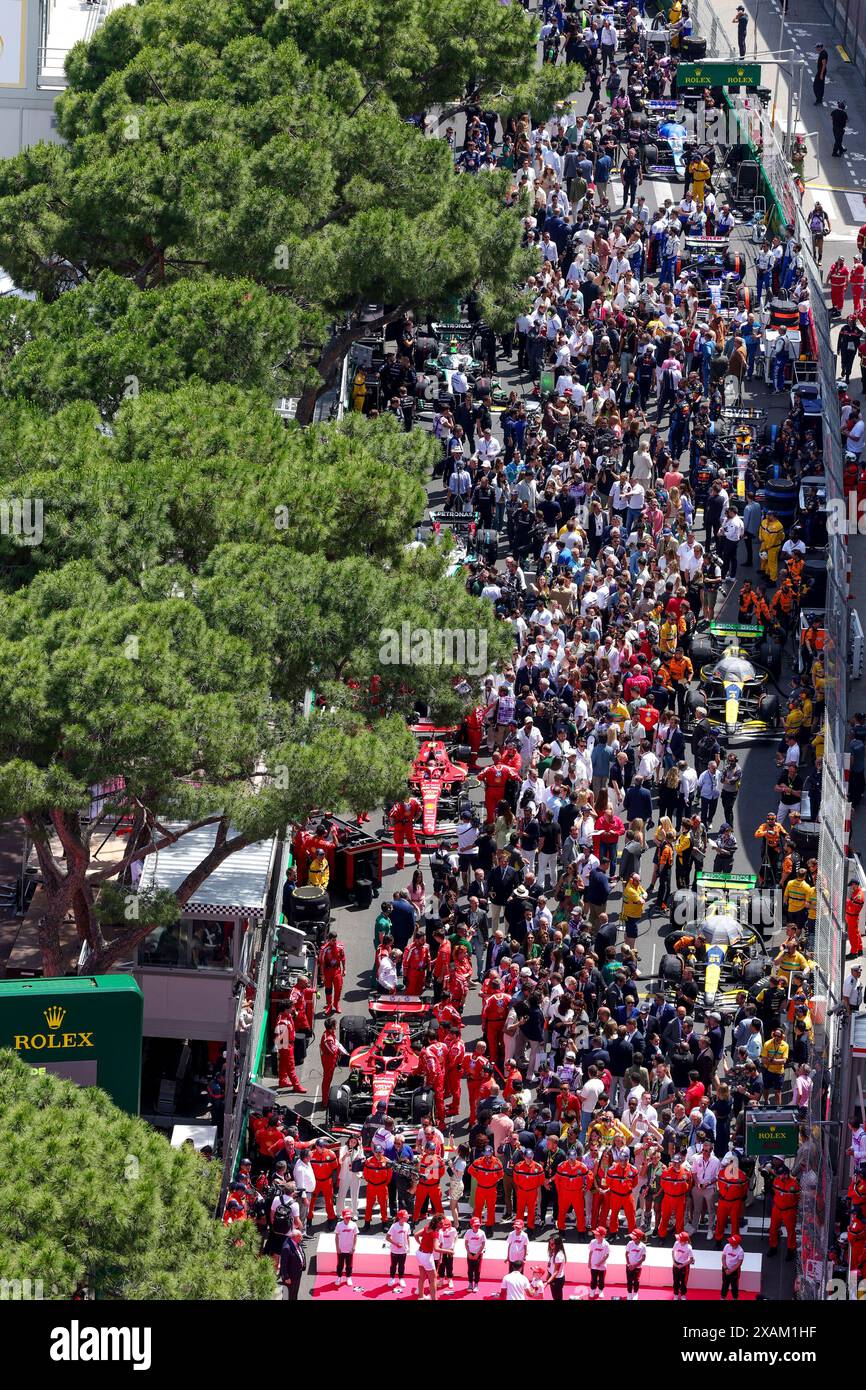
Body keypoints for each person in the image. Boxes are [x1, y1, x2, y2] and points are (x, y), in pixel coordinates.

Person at [766, 1158, 800, 1260]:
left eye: (781, 1174)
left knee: (790, 1231)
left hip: (789, 1210)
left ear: (786, 1174)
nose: (779, 1176)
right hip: (777, 1209)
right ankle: (773, 1247)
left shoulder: (794, 1184)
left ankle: (791, 1250)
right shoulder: (776, 1180)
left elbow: (798, 1197)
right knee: (773, 1229)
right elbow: (774, 1192)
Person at [416, 1213, 444, 1301]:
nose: (442, 1225)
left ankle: (421, 1297)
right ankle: (433, 1298)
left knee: (422, 1277)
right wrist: (449, 1251)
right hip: (427, 1256)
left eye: (443, 1223)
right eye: (441, 1223)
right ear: (436, 1223)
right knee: (433, 1279)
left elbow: (416, 1234)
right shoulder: (435, 1233)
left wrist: (421, 1244)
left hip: (419, 1253)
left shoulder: (427, 1226)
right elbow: (436, 1248)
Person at [318, 930, 346, 1015]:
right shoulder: (324, 949)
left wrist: (344, 969)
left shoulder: (340, 946)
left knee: (338, 988)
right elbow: (321, 963)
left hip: (337, 970)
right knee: (328, 989)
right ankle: (329, 1005)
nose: (334, 941)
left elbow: (343, 958)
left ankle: (336, 1004)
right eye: (333, 940)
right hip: (327, 971)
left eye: (335, 939)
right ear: (328, 940)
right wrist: (322, 974)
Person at [385, 1208, 412, 1290]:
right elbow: (387, 1237)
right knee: (393, 1265)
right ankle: (392, 1278)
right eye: (405, 1217)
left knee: (402, 1265)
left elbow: (407, 1237)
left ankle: (401, 1279)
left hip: (403, 1250)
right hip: (394, 1250)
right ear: (400, 1217)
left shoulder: (407, 1226)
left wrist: (408, 1247)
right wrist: (396, 1244)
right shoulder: (394, 1226)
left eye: (407, 1216)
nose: (407, 1218)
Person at [334, 1207, 359, 1289]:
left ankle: (348, 1277)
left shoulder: (354, 1224)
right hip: (341, 1249)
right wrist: (337, 1248)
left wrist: (353, 1247)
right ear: (343, 1217)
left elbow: (355, 1236)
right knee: (340, 1265)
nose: (348, 1219)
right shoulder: (339, 1224)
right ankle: (339, 1277)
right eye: (346, 1217)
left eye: (349, 1217)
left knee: (349, 1265)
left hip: (349, 1249)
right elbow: (336, 1236)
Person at [464, 1216, 487, 1293]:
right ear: (471, 1225)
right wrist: (468, 1253)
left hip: (478, 1254)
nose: (477, 1226)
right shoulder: (468, 1232)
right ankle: (470, 1283)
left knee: (477, 1270)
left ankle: (476, 1284)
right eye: (475, 1225)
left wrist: (478, 1254)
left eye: (478, 1225)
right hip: (470, 1253)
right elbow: (466, 1243)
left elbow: (483, 1244)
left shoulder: (482, 1233)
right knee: (470, 1270)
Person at [588, 1225, 611, 1299]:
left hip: (602, 1266)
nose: (595, 1235)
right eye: (595, 1234)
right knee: (593, 1279)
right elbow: (591, 1252)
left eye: (597, 1234)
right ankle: (592, 1290)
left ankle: (600, 1291)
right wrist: (589, 1262)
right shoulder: (592, 1242)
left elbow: (607, 1255)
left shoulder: (606, 1244)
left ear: (602, 1236)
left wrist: (600, 1263)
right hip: (593, 1265)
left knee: (601, 1280)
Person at [720, 1233, 745, 1299]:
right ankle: (723, 1297)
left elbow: (739, 1263)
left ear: (736, 1244)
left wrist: (731, 1271)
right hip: (725, 1268)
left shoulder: (740, 1251)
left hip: (734, 1271)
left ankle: (735, 1298)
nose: (730, 1242)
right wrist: (725, 1268)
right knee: (725, 1284)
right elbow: (723, 1257)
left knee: (734, 1286)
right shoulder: (727, 1246)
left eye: (732, 1242)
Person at [672, 1230, 695, 1300]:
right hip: (676, 1264)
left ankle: (683, 1295)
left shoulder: (689, 1248)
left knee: (683, 1282)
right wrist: (674, 1262)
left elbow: (691, 1259)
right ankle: (676, 1294)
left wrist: (682, 1265)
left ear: (684, 1241)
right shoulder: (676, 1243)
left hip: (684, 1266)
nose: (678, 1239)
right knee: (675, 1280)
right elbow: (672, 1252)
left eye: (679, 1239)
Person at [625, 1227, 647, 1300]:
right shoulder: (630, 1243)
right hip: (629, 1266)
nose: (632, 1238)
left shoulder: (643, 1246)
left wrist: (635, 1266)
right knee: (629, 1280)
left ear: (639, 1238)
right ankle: (629, 1293)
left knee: (636, 1281)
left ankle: (635, 1293)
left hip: (637, 1267)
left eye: (634, 1237)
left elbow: (643, 1258)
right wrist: (628, 1264)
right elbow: (626, 1254)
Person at [544, 1234, 567, 1300]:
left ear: (558, 1244)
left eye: (552, 1244)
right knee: (555, 1297)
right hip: (553, 1277)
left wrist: (547, 1282)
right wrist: (548, 1276)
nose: (550, 1245)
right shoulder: (553, 1251)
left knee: (557, 1297)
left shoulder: (559, 1255)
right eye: (550, 1243)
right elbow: (551, 1266)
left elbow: (556, 1272)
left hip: (557, 1279)